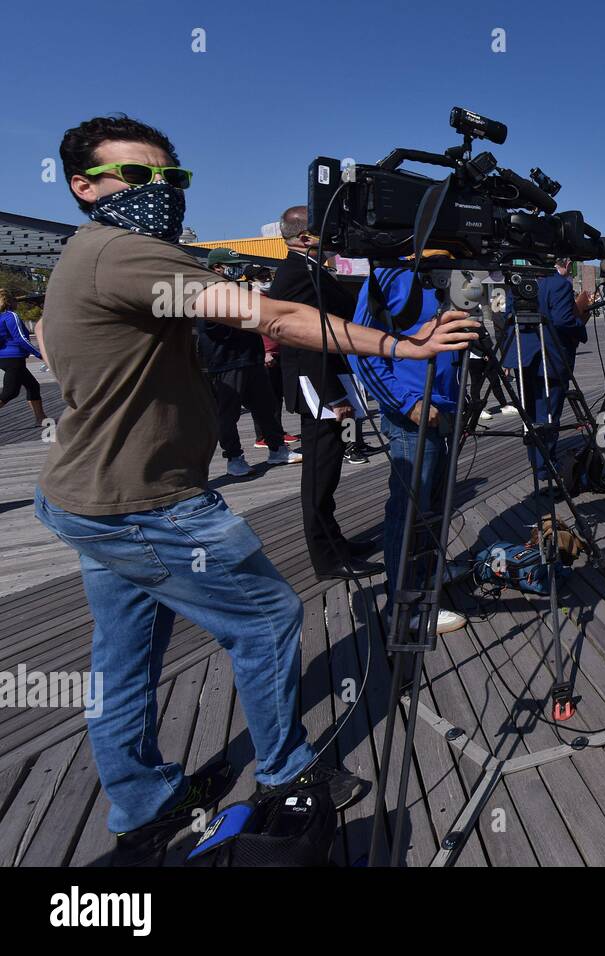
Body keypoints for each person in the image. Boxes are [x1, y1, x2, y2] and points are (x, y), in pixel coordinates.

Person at [33, 115, 480, 864]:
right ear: (84, 187)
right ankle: (284, 773)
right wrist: (406, 344)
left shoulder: (86, 256)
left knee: (125, 656)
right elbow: (270, 314)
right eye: (136, 178)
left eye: (170, 180)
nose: (159, 194)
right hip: (149, 504)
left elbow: (52, 337)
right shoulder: (123, 252)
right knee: (268, 618)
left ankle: (143, 802)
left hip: (88, 493)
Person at [349, 264, 470, 635]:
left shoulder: (453, 268)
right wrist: (407, 404)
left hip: (447, 407)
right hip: (412, 414)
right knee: (409, 510)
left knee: (435, 504)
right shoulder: (389, 274)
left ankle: (428, 573)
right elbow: (359, 347)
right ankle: (405, 605)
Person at [264, 205, 380, 580]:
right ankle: (327, 558)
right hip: (319, 386)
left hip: (331, 379)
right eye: (323, 232)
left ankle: (336, 542)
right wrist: (334, 397)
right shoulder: (296, 274)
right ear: (302, 238)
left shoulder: (311, 269)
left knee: (328, 473)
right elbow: (305, 339)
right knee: (319, 474)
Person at [198, 247, 302, 476]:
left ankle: (277, 449)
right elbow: (213, 328)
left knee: (267, 407)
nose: (238, 270)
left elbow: (255, 321)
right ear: (217, 267)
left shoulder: (240, 290)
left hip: (251, 359)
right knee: (228, 414)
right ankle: (234, 458)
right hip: (226, 362)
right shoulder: (207, 292)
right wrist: (244, 318)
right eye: (231, 265)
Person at [501, 257, 588, 495]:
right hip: (550, 360)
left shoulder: (517, 281)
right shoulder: (559, 284)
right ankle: (545, 469)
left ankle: (537, 463)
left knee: (530, 416)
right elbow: (562, 320)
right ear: (567, 262)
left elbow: (509, 318)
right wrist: (581, 326)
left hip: (523, 357)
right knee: (548, 416)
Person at [0, 289, 47, 426]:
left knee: (33, 386)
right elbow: (20, 339)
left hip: (6, 359)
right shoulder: (10, 316)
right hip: (14, 358)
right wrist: (40, 354)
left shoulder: (1, 317)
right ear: (10, 302)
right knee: (10, 392)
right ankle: (40, 419)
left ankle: (41, 419)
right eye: (15, 300)